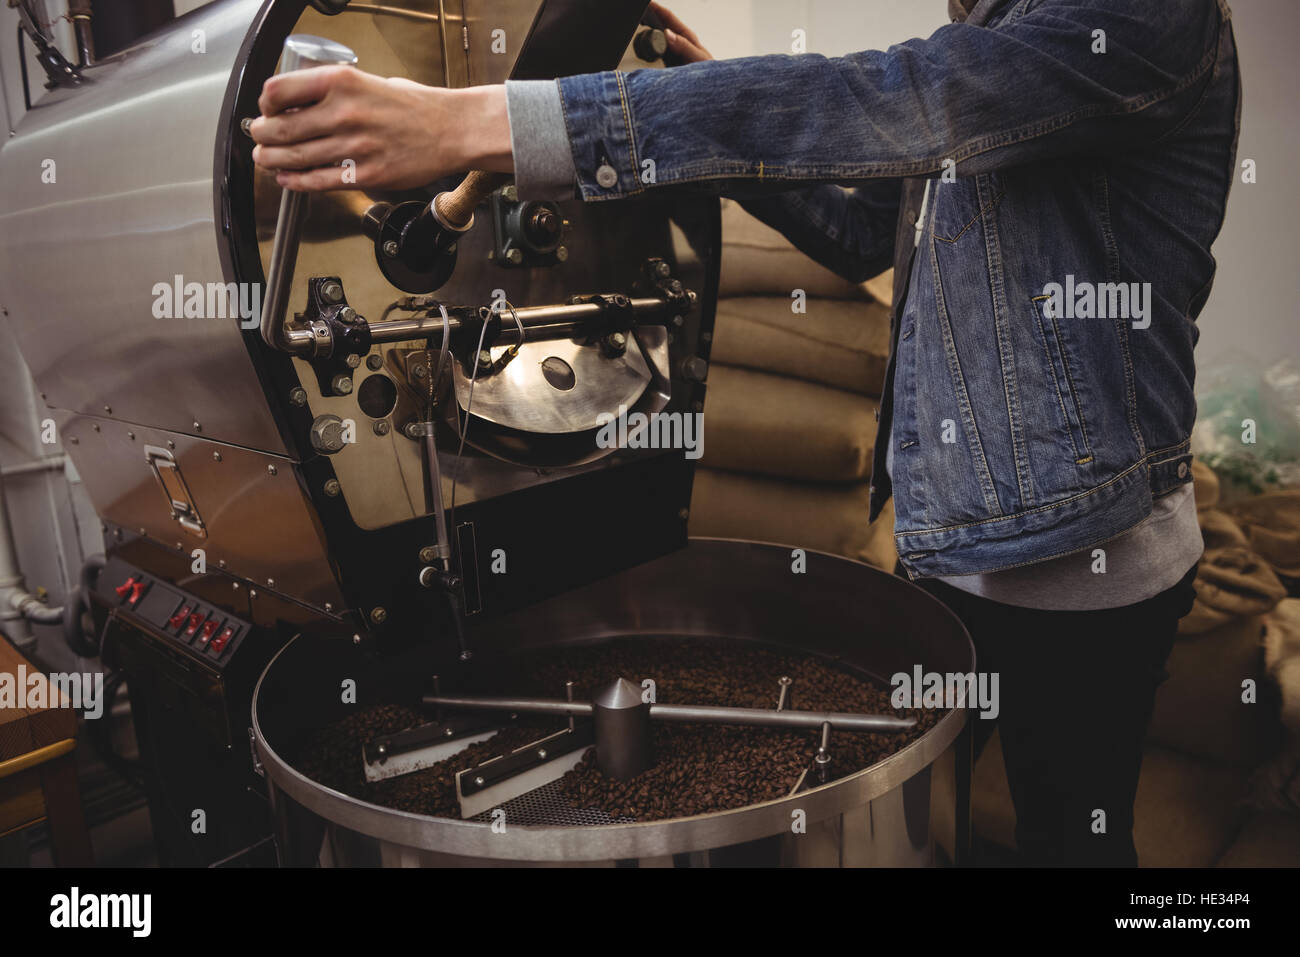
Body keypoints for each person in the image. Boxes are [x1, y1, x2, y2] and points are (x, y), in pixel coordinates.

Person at [250, 0, 1241, 865]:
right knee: (928, 823)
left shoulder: (1140, 12)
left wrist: (479, 124)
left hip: (1087, 573)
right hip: (948, 548)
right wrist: (723, 129)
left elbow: (900, 101)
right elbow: (859, 232)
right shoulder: (997, 30)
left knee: (1073, 844)